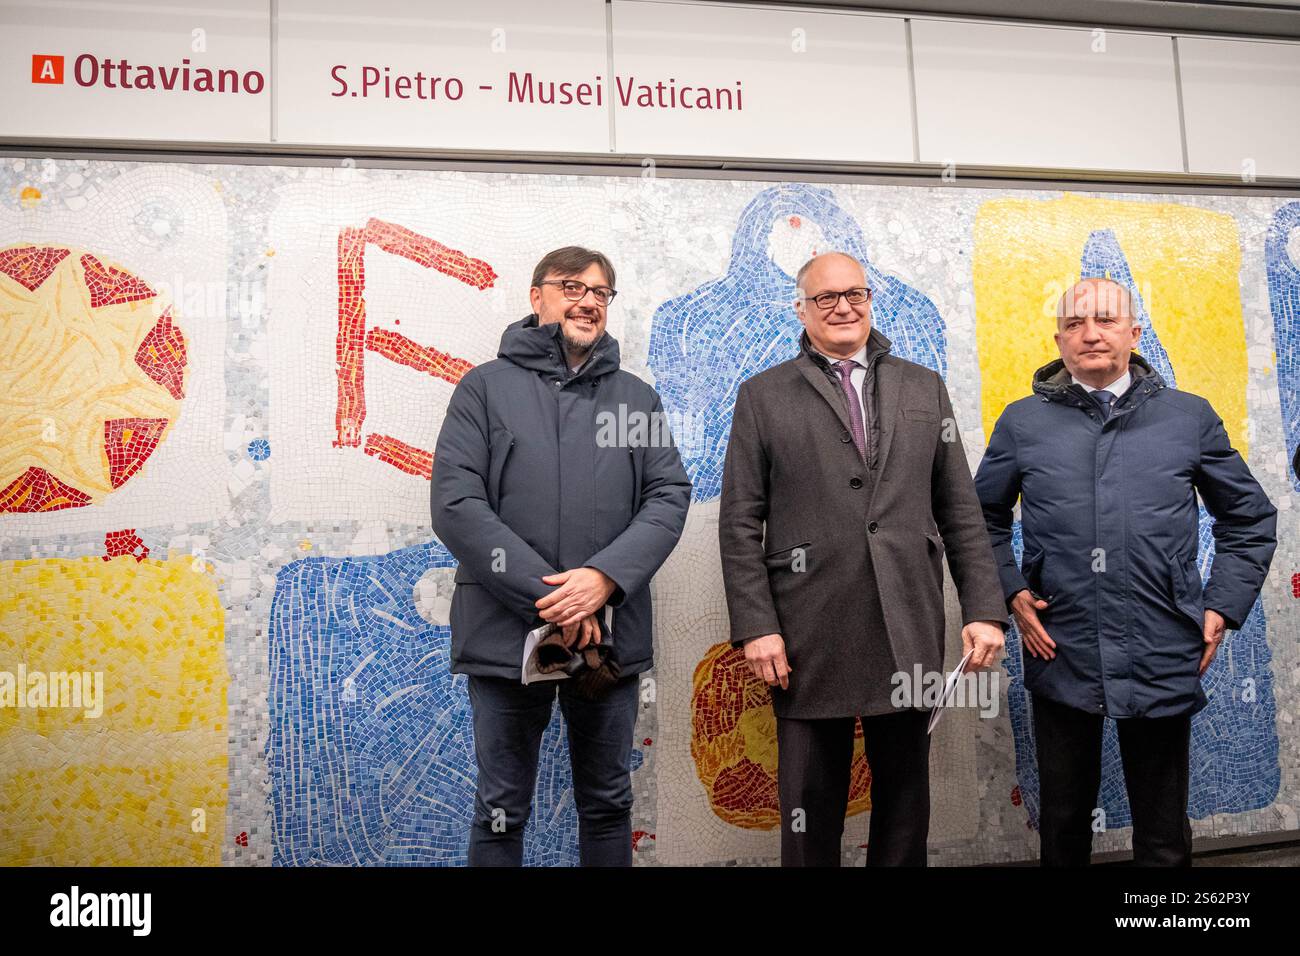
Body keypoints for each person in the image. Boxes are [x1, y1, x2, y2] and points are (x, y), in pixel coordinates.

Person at [975, 276, 1277, 866]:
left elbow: (1250, 519)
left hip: (1163, 641)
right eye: (1075, 324)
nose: (1091, 334)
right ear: (1058, 339)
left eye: (1106, 320)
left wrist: (1219, 609)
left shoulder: (1188, 418)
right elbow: (977, 518)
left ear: (1133, 333)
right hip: (1059, 645)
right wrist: (1010, 591)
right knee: (1063, 824)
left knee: (1163, 832)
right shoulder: (1022, 423)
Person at [719, 251, 1007, 866]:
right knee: (808, 798)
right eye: (826, 297)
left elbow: (960, 511)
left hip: (906, 619)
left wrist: (985, 609)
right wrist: (756, 625)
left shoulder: (922, 385)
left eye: (855, 294)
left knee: (904, 796)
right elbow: (741, 521)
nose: (843, 306)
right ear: (802, 309)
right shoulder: (762, 395)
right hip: (805, 629)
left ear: (870, 301)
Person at [431, 246, 691, 866]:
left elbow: (667, 495)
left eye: (601, 292)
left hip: (608, 635)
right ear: (536, 297)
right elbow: (456, 504)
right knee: (501, 808)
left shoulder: (636, 399)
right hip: (504, 634)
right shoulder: (483, 389)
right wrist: (554, 600)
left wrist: (603, 580)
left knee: (607, 803)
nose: (588, 300)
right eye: (572, 286)